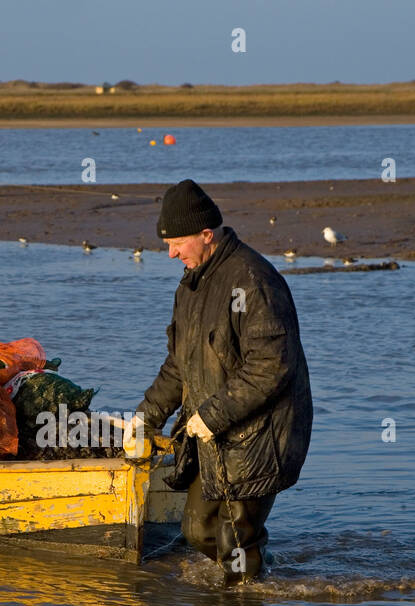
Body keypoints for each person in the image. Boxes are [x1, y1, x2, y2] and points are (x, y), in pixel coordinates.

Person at [133, 179, 313, 585]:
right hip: (216, 435)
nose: (171, 253)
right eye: (167, 244)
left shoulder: (253, 281)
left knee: (235, 539)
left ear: (206, 235)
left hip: (261, 435)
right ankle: (251, 582)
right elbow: (178, 364)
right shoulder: (191, 285)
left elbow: (272, 366)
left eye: (177, 242)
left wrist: (212, 415)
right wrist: (145, 419)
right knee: (196, 531)